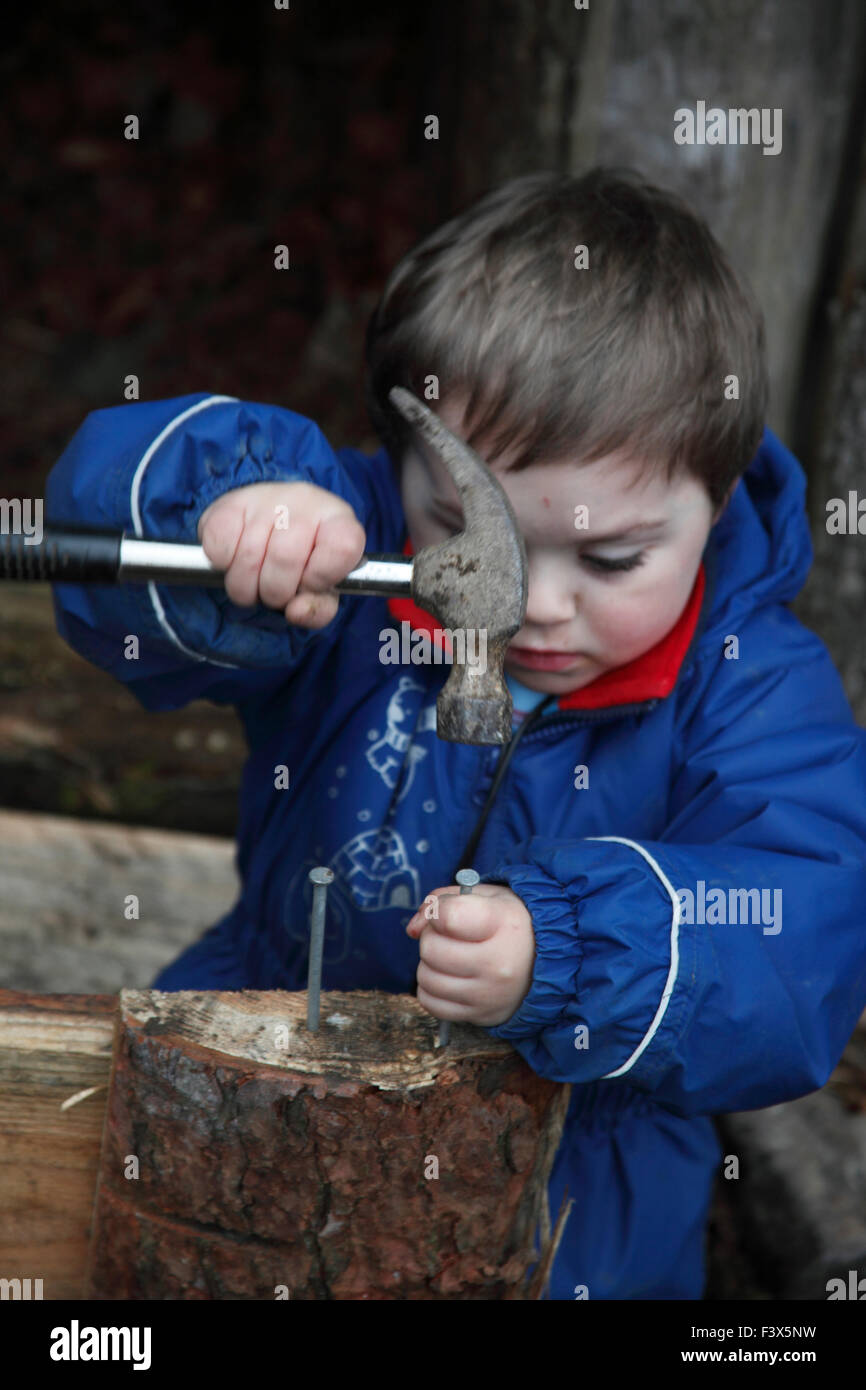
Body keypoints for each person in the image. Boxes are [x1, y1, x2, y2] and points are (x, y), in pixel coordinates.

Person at [46, 167, 866, 1299]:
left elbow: (799, 943)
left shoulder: (751, 686)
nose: (528, 603)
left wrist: (567, 952)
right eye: (463, 526)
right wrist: (228, 518)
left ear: (715, 502)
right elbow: (104, 551)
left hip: (581, 1203)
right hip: (259, 1086)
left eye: (610, 558)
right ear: (397, 465)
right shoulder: (352, 569)